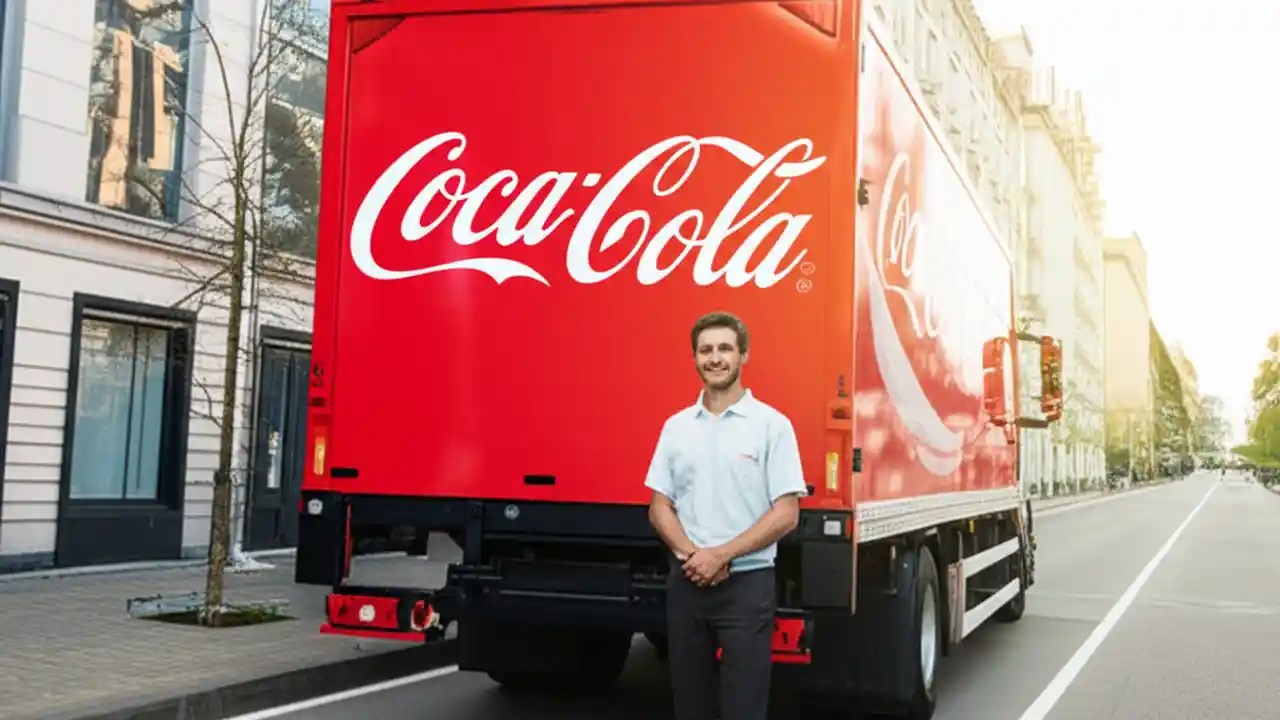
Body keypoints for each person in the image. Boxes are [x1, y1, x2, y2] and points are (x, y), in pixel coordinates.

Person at [644, 311, 807, 720]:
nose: (715, 358)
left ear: (743, 355)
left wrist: (722, 555)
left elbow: (787, 513)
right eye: (705, 350)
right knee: (690, 704)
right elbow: (659, 506)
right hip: (688, 583)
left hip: (747, 586)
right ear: (695, 359)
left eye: (724, 349)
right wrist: (693, 556)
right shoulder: (676, 427)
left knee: (743, 705)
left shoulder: (772, 426)